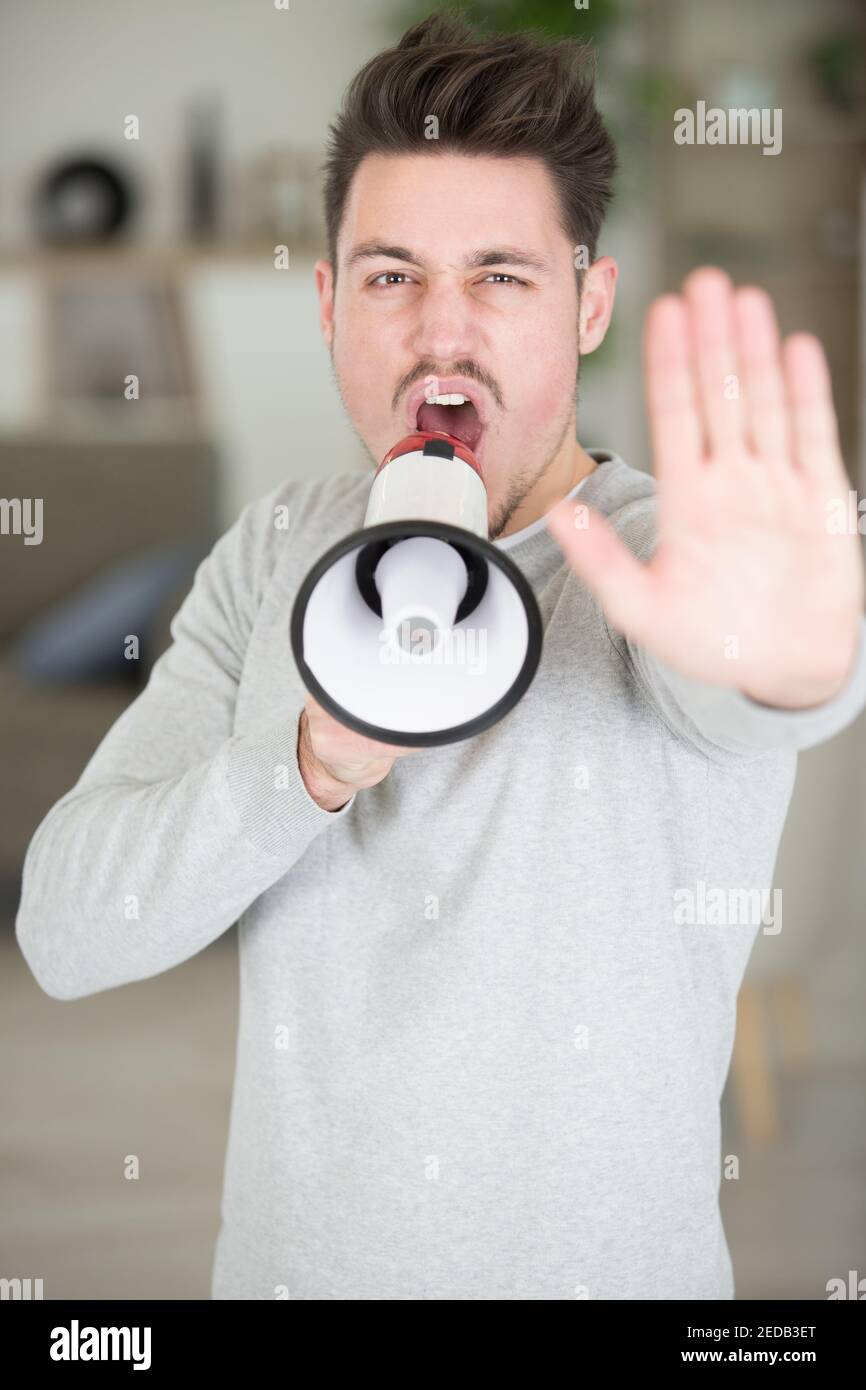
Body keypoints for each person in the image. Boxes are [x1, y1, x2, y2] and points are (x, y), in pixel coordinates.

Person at [16, 12, 866, 1300]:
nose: (441, 333)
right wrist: (303, 761)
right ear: (331, 303)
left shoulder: (658, 566)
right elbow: (67, 936)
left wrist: (797, 656)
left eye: (504, 276)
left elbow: (755, 684)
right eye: (394, 274)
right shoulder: (270, 554)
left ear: (589, 303)